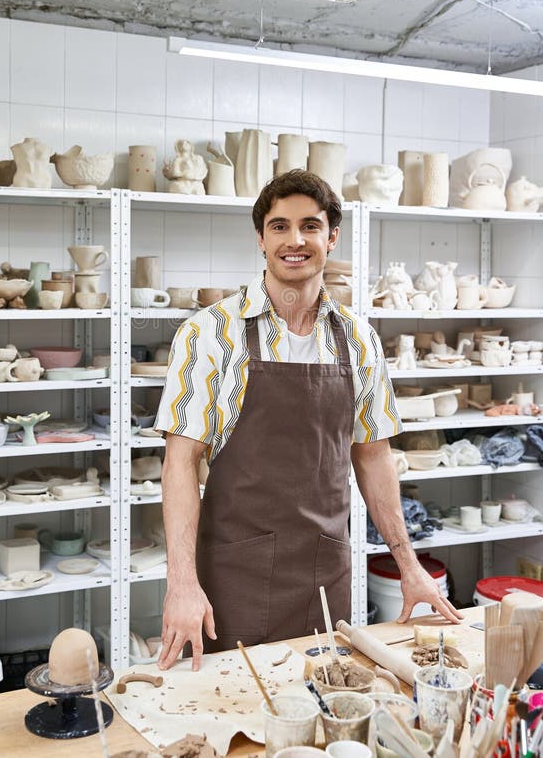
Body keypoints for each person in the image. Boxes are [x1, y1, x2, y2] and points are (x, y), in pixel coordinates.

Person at [155, 170, 462, 671]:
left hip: (326, 570)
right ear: (261, 238)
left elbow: (374, 456)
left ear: (331, 236)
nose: (294, 240)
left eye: (309, 226)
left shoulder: (358, 338)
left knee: (323, 708)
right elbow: (179, 464)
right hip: (235, 572)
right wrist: (182, 585)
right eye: (279, 227)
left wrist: (409, 566)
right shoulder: (210, 333)